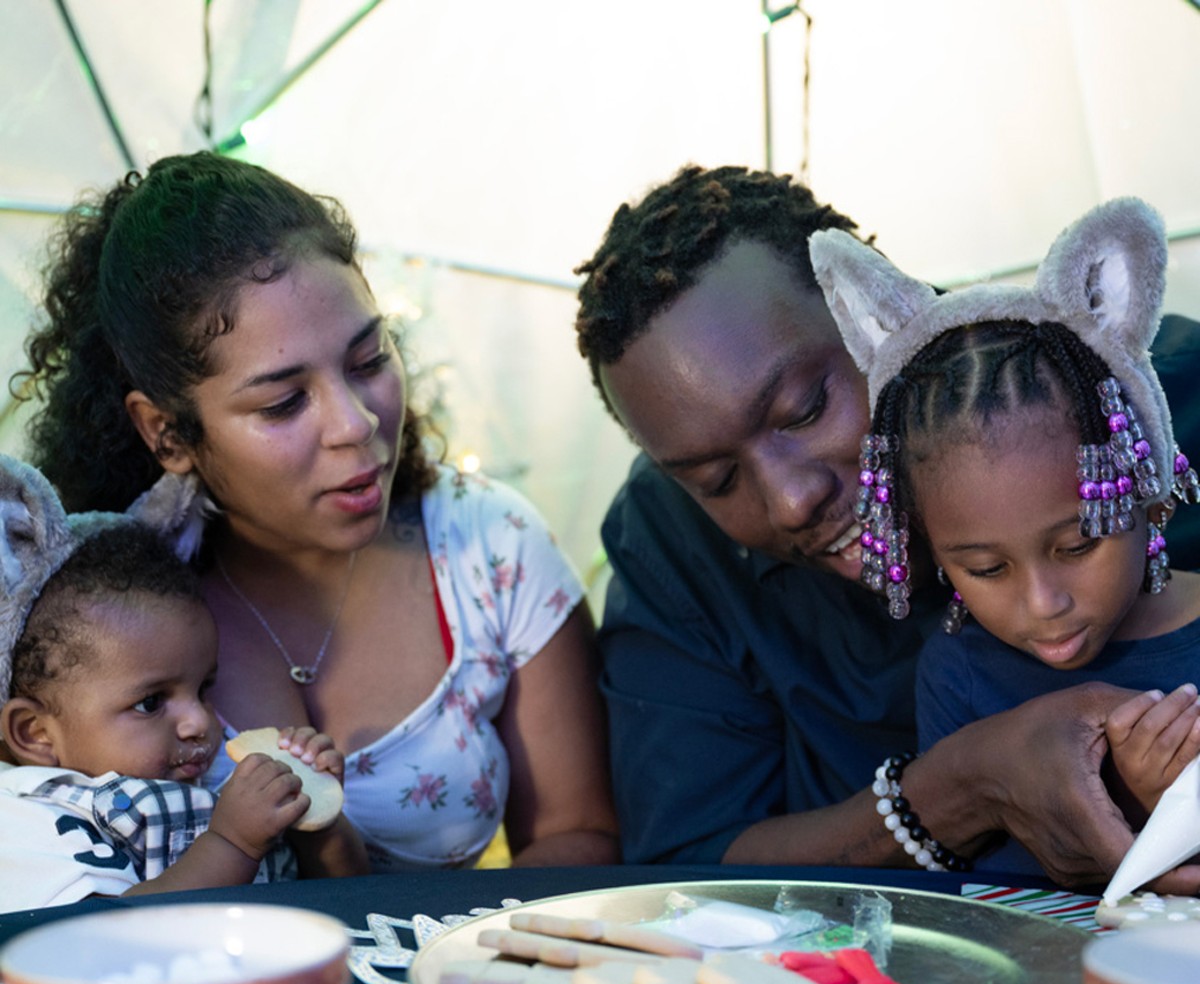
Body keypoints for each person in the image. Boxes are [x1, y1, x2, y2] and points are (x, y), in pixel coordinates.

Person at [574, 164, 1200, 888]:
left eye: (807, 410)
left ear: (875, 319)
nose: (789, 501)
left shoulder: (1153, 395)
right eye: (717, 480)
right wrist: (962, 786)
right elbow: (686, 863)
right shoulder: (669, 540)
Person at [11, 151, 619, 871]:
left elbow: (577, 838)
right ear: (167, 432)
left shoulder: (491, 549)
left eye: (368, 360)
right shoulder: (91, 616)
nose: (355, 423)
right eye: (283, 402)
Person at [809, 196, 1200, 875]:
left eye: (1078, 546)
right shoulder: (958, 676)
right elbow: (998, 890)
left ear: (1145, 485)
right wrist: (1128, 805)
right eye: (986, 569)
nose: (1044, 601)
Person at [0, 454, 366, 908]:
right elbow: (104, 932)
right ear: (35, 733)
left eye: (204, 688)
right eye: (151, 702)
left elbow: (354, 892)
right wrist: (232, 844)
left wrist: (318, 818)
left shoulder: (216, 779)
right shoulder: (36, 817)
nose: (199, 721)